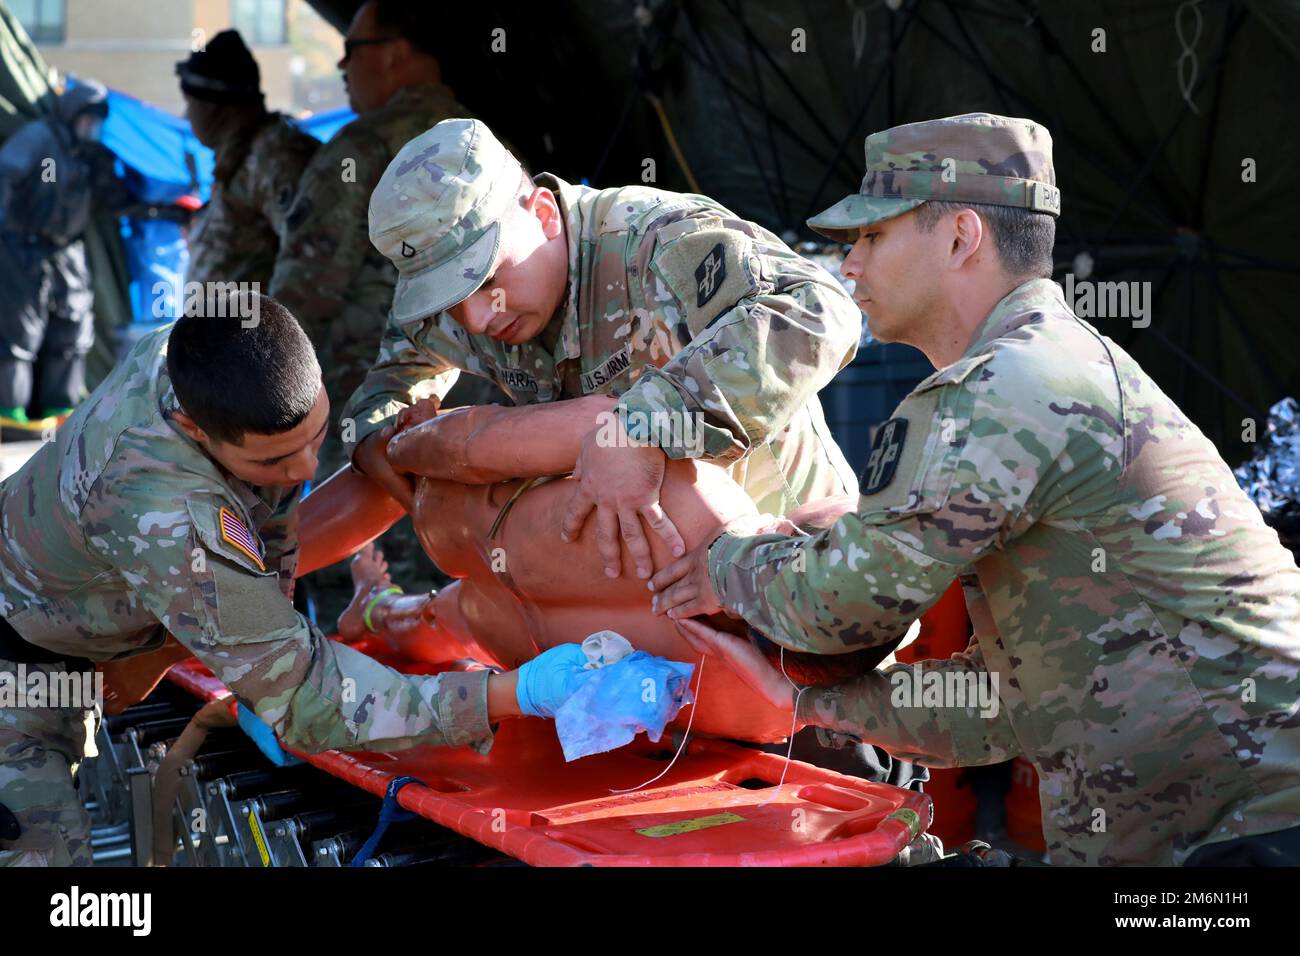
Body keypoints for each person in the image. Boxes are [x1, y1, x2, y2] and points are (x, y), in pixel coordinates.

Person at [647, 112, 1300, 866]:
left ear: (961, 237)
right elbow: (1001, 701)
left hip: (1247, 831)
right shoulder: (1046, 365)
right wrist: (805, 702)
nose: (847, 265)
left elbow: (841, 604)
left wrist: (722, 563)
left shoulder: (1004, 390)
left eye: (872, 236)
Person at [0, 293, 609, 867]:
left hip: (76, 622)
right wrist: (513, 695)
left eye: (315, 436)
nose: (305, 469)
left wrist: (167, 643)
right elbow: (305, 699)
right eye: (271, 462)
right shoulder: (165, 508)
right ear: (194, 431)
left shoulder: (212, 351)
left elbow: (253, 560)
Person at [346, 117, 861, 586]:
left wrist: (641, 424)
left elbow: (817, 311)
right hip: (643, 584)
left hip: (794, 560)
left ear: (544, 214)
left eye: (487, 280)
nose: (477, 319)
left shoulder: (655, 240)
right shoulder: (452, 302)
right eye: (453, 300)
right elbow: (393, 380)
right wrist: (378, 437)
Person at [268, 0, 498, 621]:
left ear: (398, 51)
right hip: (479, 409)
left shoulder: (365, 146)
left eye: (352, 50)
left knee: (364, 592)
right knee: (464, 584)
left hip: (367, 404)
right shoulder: (483, 137)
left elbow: (301, 294)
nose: (343, 67)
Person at [0, 81, 127, 426]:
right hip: (23, 246)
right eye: (86, 118)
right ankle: (10, 411)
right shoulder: (41, 139)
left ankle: (61, 406)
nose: (91, 126)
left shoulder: (88, 153)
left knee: (72, 328)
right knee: (19, 331)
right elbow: (6, 175)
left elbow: (111, 199)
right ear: (73, 114)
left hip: (66, 249)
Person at [175, 29, 318, 292]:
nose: (186, 115)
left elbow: (312, 259)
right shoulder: (240, 157)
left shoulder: (274, 158)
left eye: (190, 103)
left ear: (211, 107)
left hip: (259, 331)